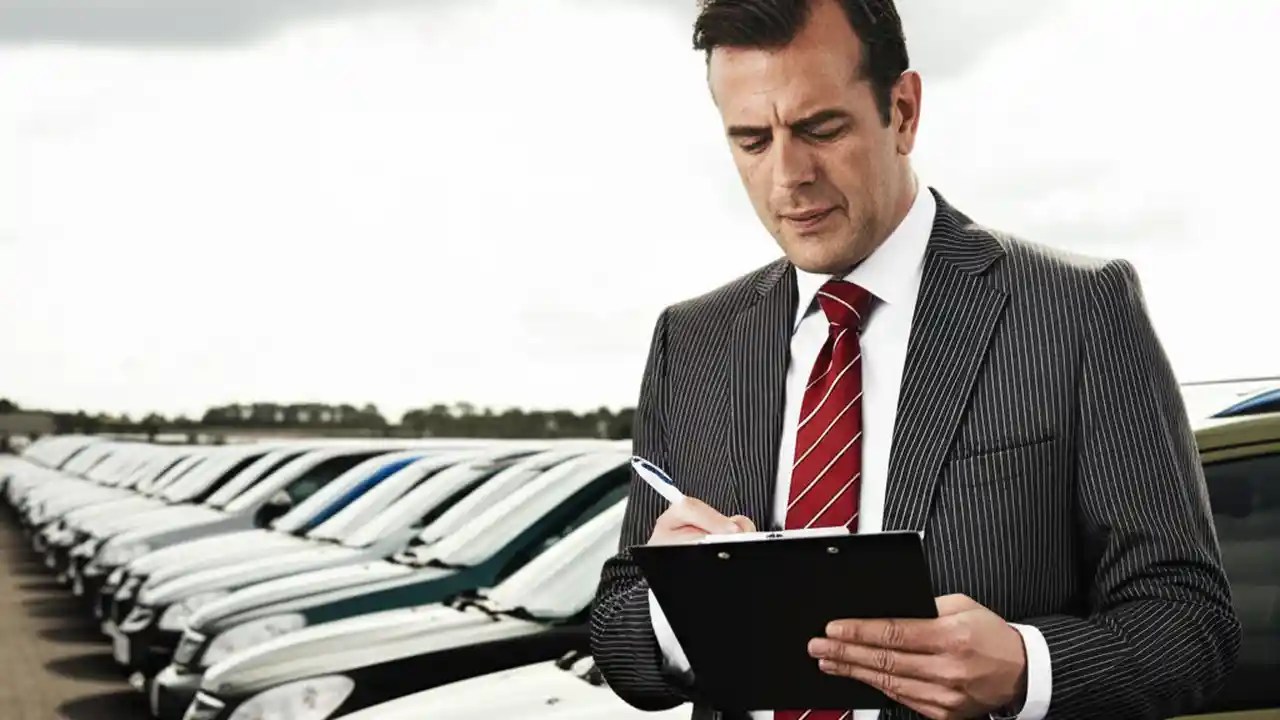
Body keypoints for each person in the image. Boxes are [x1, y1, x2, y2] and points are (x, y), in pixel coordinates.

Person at [587, 1, 1242, 719]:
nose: (787, 177)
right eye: (750, 141)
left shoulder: (1078, 309)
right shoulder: (694, 340)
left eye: (820, 128)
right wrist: (671, 609)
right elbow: (617, 633)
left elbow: (1190, 622)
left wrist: (1027, 666)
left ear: (902, 110)